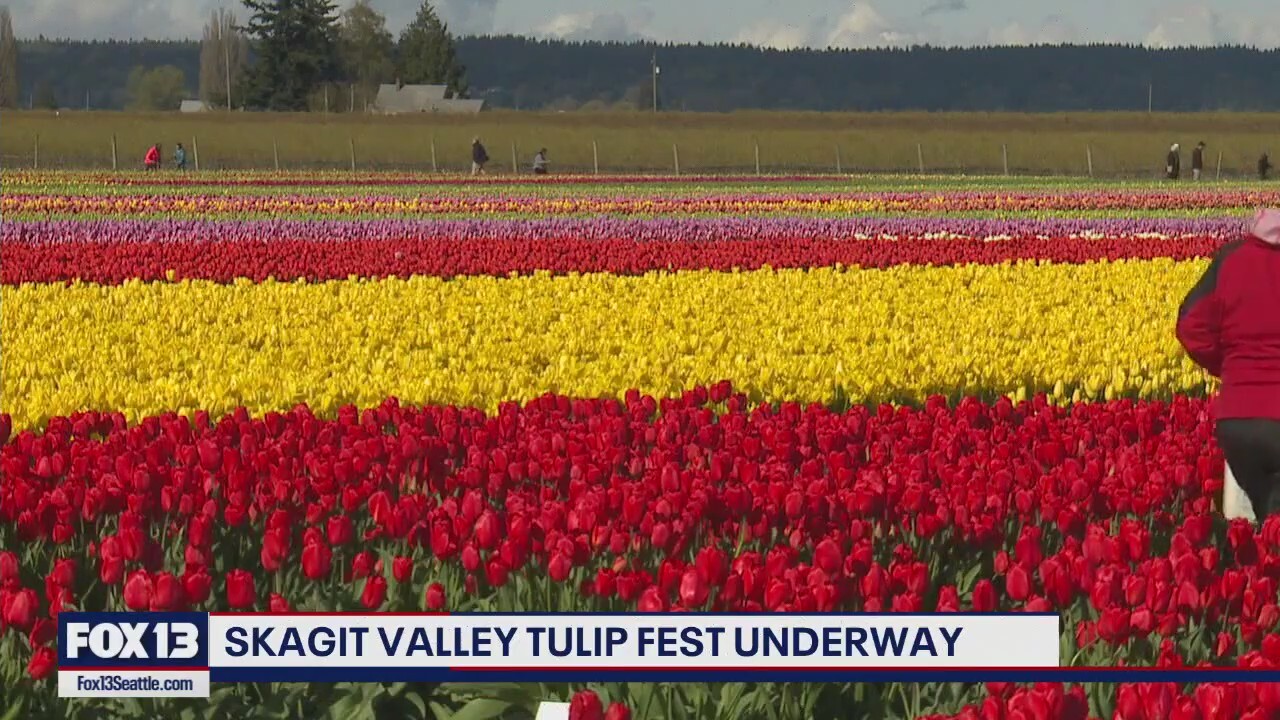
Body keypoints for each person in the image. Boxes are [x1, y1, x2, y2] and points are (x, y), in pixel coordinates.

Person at [1177, 208, 1280, 522]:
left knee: (1268, 518)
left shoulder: (1230, 259)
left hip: (1238, 420)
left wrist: (1228, 365)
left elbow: (1190, 326)